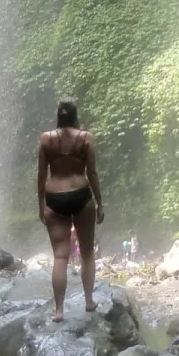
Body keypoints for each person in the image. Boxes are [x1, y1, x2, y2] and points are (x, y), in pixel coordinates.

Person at [38, 98, 104, 321]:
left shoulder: (46, 139)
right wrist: (100, 202)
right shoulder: (85, 138)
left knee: (60, 257)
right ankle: (88, 301)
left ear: (58, 115)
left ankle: (58, 311)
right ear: (76, 115)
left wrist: (41, 205)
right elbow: (92, 173)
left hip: (54, 197)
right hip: (80, 194)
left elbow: (41, 175)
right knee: (86, 253)